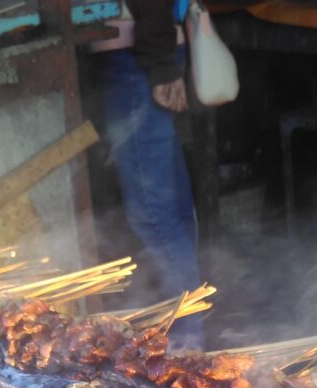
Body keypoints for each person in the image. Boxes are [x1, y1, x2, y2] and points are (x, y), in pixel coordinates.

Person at [88, 0, 204, 349]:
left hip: (137, 60)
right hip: (149, 56)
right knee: (171, 207)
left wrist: (161, 67)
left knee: (154, 215)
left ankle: (186, 342)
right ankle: (192, 320)